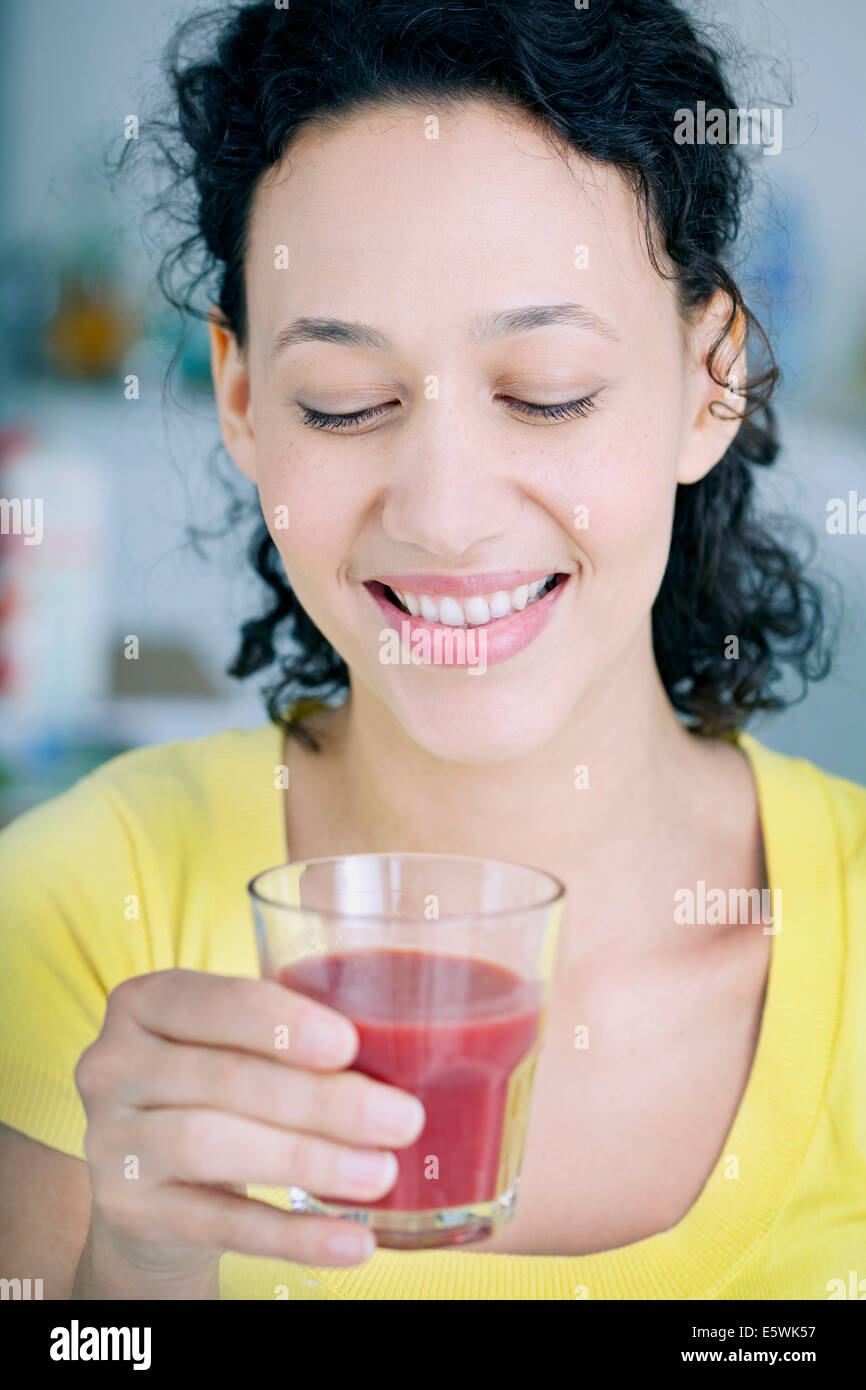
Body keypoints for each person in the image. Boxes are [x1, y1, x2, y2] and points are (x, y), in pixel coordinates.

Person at [1, 0, 863, 1302]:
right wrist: (137, 1271)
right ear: (240, 401)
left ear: (710, 378)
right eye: (344, 403)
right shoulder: (62, 906)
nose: (443, 513)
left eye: (547, 390)